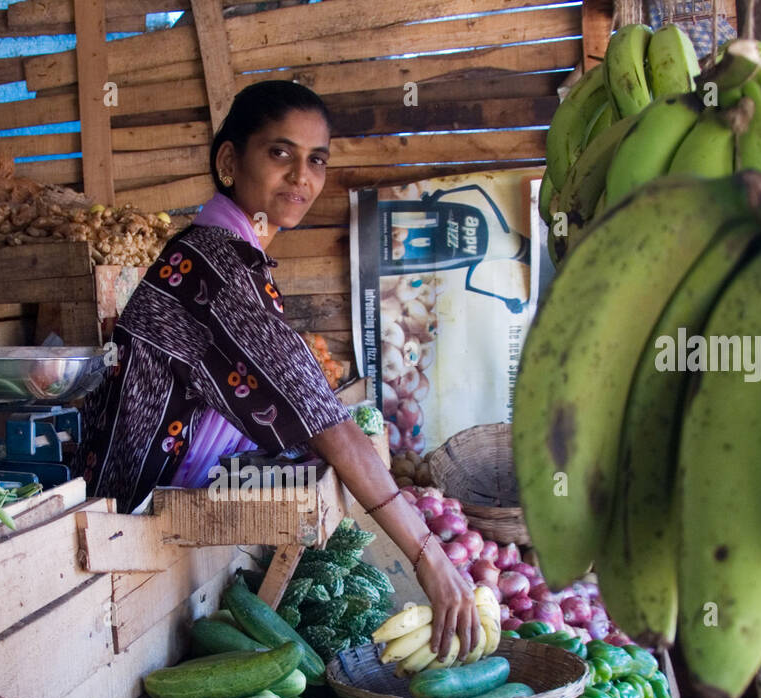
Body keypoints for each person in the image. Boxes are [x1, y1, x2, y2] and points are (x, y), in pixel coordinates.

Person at [75, 81, 478, 659]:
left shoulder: (227, 251)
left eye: (316, 160)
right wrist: (428, 557)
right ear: (229, 160)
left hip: (155, 531)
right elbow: (325, 421)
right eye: (280, 153)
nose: (302, 177)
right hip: (124, 542)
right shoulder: (216, 267)